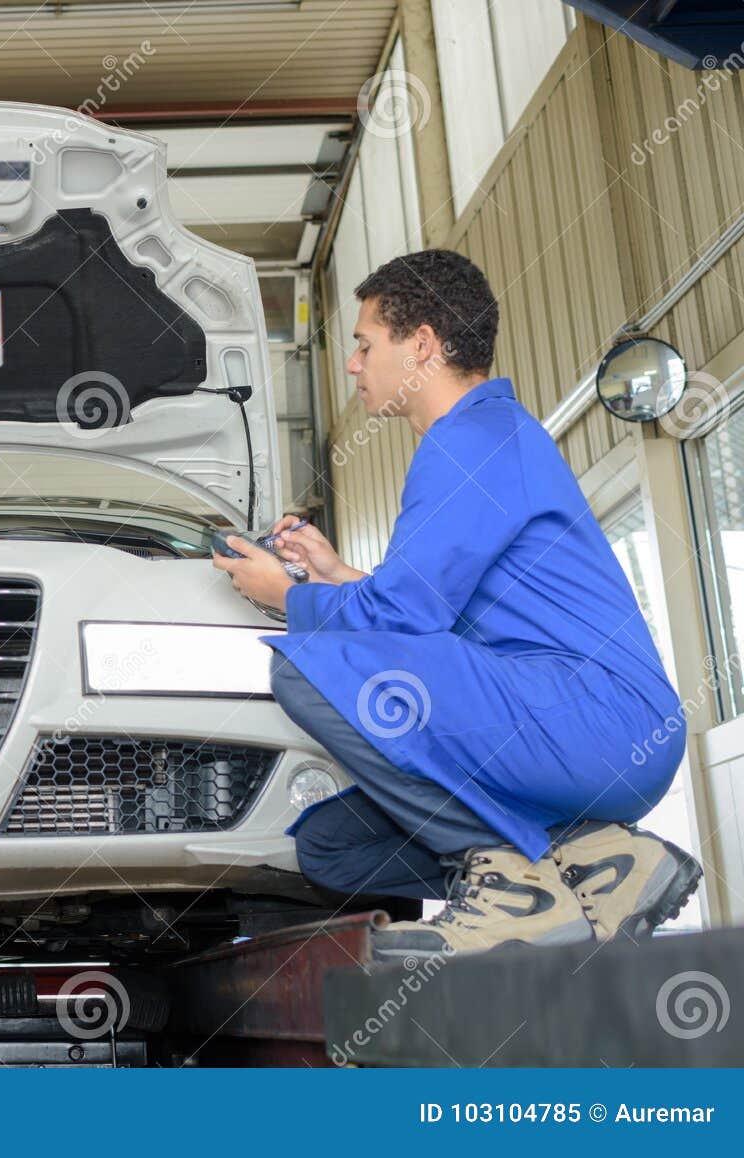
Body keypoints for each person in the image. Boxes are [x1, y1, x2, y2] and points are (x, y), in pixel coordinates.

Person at [212, 249, 702, 962]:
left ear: (421, 345)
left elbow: (403, 619)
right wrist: (336, 573)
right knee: (334, 848)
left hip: (595, 719)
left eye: (364, 344)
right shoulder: (487, 437)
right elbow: (431, 607)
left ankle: (516, 895)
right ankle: (597, 862)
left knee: (304, 666)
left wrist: (286, 594)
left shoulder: (471, 440)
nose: (352, 364)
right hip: (567, 722)